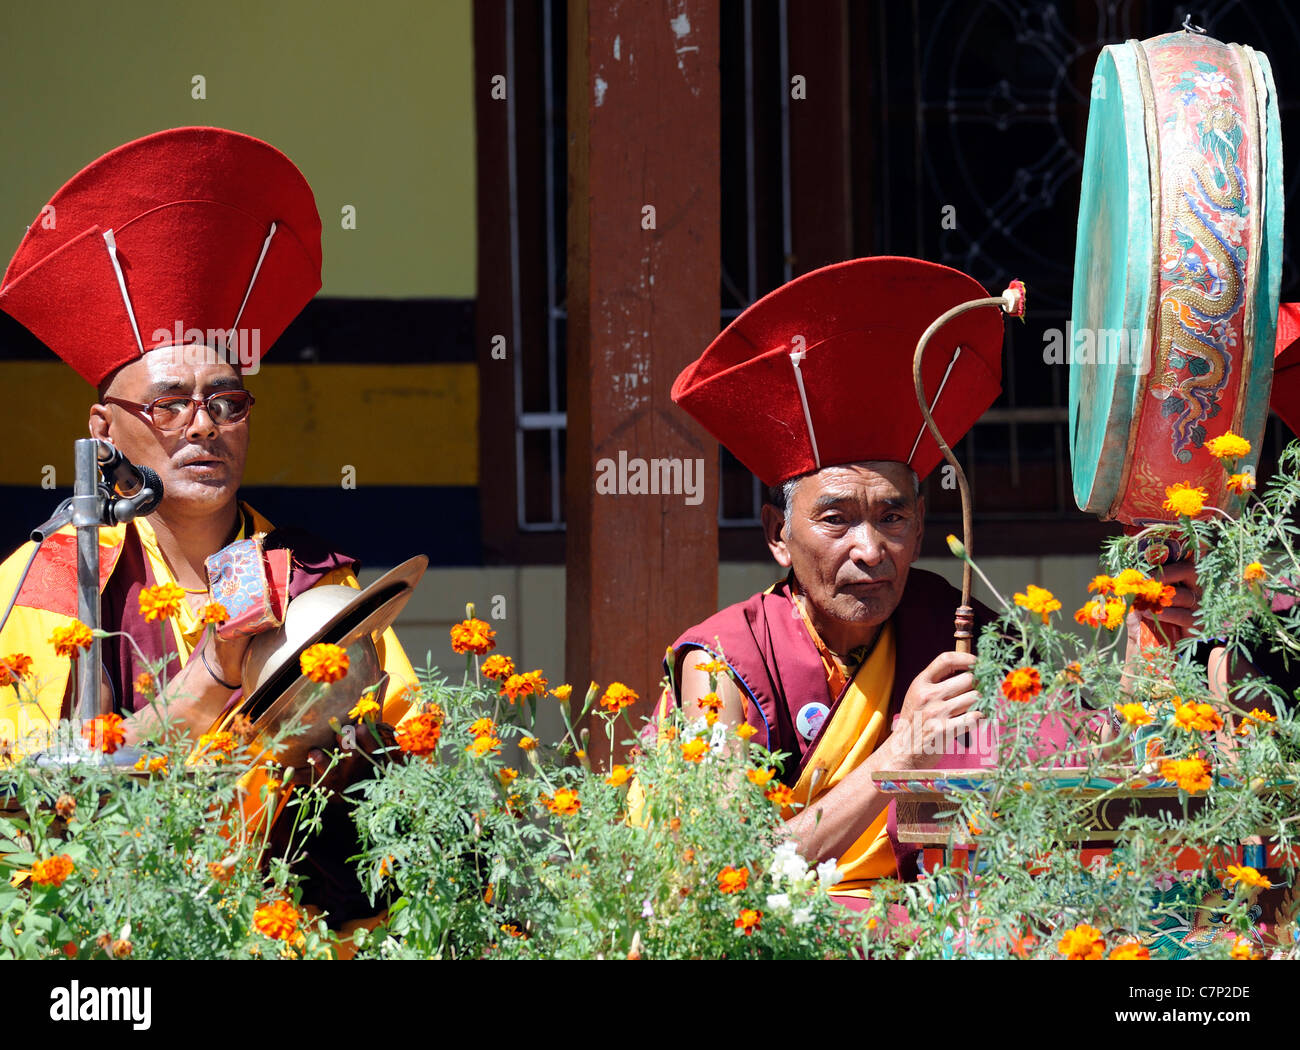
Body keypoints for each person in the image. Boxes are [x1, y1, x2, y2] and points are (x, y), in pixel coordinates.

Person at [664, 257, 1197, 901]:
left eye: (892, 518)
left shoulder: (952, 628)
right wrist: (899, 757)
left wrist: (1151, 641)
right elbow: (722, 876)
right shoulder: (725, 662)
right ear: (779, 535)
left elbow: (1092, 767)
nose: (870, 550)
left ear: (920, 530)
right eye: (836, 519)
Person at [0, 127, 416, 926]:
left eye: (226, 402)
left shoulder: (308, 577)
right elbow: (34, 790)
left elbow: (404, 760)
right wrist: (213, 680)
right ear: (102, 429)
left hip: (290, 929)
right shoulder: (52, 579)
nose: (203, 425)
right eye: (168, 404)